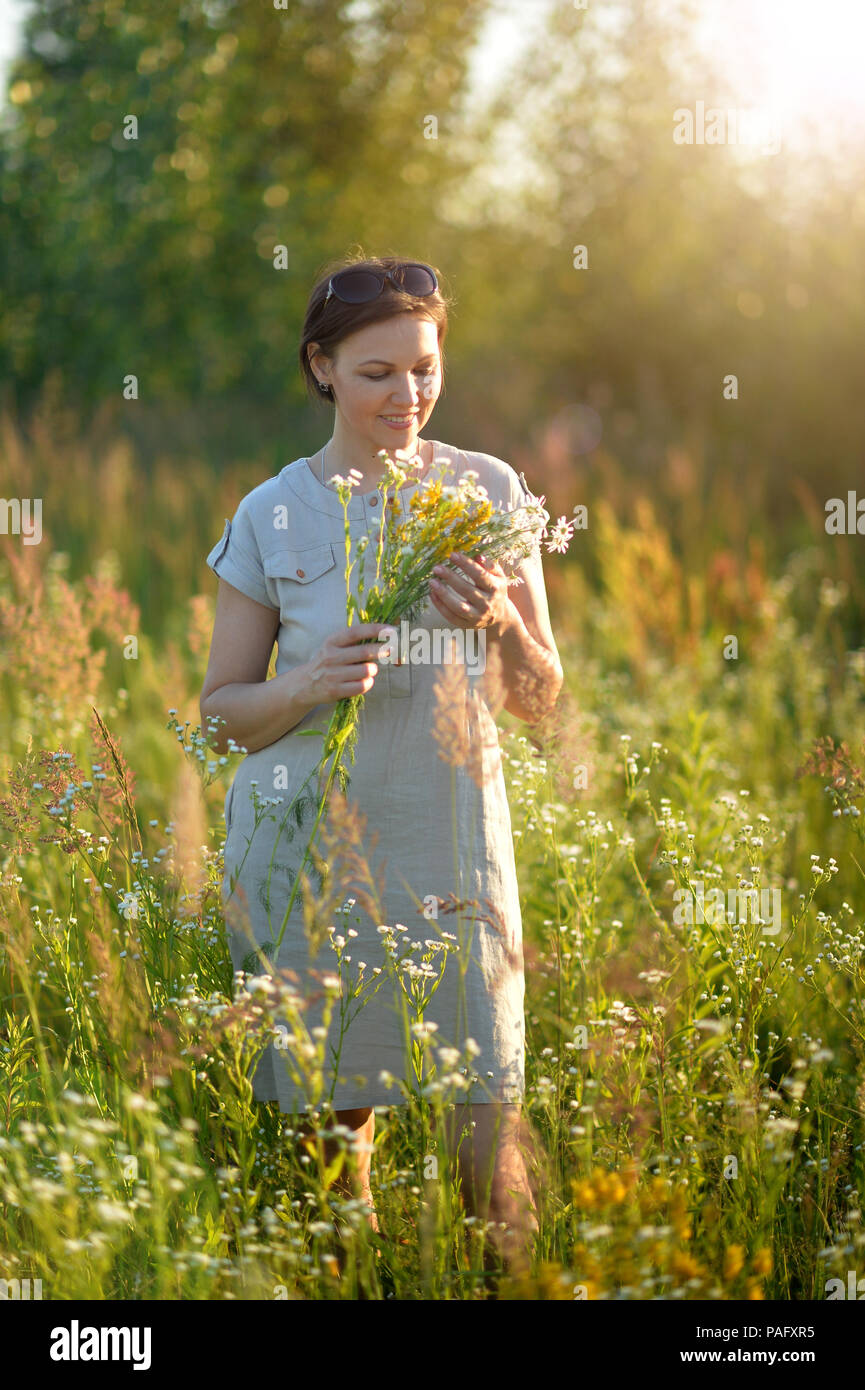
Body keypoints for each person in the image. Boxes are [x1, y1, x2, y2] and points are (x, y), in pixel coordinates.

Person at [200, 255, 563, 1271]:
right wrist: (309, 684)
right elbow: (223, 714)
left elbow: (542, 698)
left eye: (424, 369)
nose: (406, 395)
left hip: (454, 862)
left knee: (488, 1160)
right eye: (375, 373)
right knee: (334, 1166)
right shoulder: (272, 511)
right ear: (321, 368)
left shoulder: (486, 488)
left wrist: (497, 620)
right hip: (316, 861)